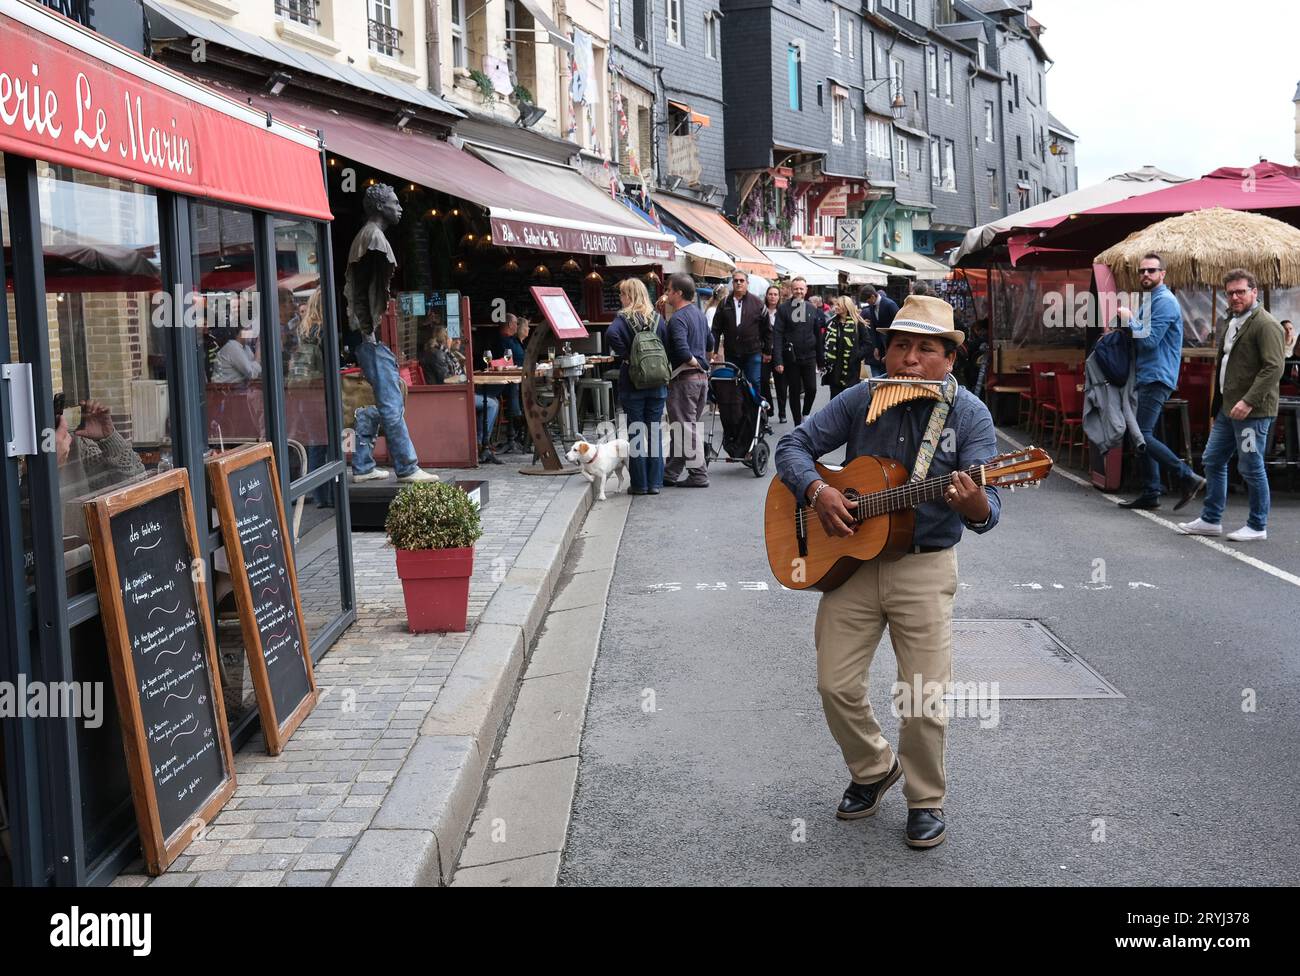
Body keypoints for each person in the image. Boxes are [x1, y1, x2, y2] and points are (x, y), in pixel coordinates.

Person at [774, 295, 1000, 850]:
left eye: (926, 348)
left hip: (925, 567)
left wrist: (972, 501)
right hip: (852, 564)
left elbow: (989, 508)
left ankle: (925, 799)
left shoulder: (969, 414)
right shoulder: (861, 397)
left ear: (949, 358)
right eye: (901, 345)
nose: (910, 359)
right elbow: (794, 445)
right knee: (834, 684)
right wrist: (819, 489)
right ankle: (874, 767)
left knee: (922, 696)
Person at [1177, 269, 1285, 542]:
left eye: (1241, 291)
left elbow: (1274, 368)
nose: (1235, 297)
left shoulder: (1266, 324)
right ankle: (1211, 520)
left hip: (1253, 412)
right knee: (1212, 459)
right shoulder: (1229, 320)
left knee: (1250, 466)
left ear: (1254, 292)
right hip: (1228, 409)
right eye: (1230, 293)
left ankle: (1257, 525)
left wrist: (1248, 401)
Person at [344, 182, 437, 484]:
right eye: (395, 202)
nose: (400, 207)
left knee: (379, 403)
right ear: (380, 206)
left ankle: (362, 464)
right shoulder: (374, 239)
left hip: (367, 333)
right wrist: (369, 331)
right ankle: (408, 466)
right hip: (368, 334)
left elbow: (364, 289)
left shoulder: (369, 237)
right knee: (390, 402)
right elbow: (360, 292)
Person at [1114, 253, 1203, 511]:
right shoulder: (1151, 301)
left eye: (1151, 271)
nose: (1145, 275)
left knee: (1143, 434)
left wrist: (1129, 318)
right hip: (1148, 375)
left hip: (1157, 376)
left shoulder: (1164, 301)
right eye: (1142, 271)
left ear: (1162, 274)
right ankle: (1151, 491)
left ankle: (1187, 476)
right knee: (1142, 434)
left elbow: (1150, 341)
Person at [606, 277, 670, 494]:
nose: (621, 298)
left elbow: (611, 334)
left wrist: (627, 356)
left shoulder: (623, 319)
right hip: (657, 384)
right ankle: (655, 483)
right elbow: (667, 344)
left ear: (629, 296)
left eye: (622, 294)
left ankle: (640, 484)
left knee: (636, 432)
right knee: (654, 432)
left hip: (633, 384)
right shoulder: (657, 319)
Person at [662, 273, 713, 488]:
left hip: (686, 379)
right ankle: (670, 472)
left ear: (678, 293)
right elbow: (710, 343)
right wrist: (703, 363)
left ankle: (698, 474)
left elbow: (683, 351)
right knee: (681, 427)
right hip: (701, 381)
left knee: (685, 428)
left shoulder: (678, 318)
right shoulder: (699, 315)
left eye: (668, 290)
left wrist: (694, 362)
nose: (666, 294)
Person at [287, 289, 332, 505]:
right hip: (321, 391)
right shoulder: (323, 329)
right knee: (330, 443)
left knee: (316, 443)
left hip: (304, 393)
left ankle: (320, 495)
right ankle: (330, 496)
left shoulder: (303, 329)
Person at [772, 275, 826, 425]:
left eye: (801, 288)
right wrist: (778, 360)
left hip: (809, 356)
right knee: (794, 391)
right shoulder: (783, 309)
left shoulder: (811, 308)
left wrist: (821, 361)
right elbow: (777, 335)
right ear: (791, 289)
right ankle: (797, 424)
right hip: (791, 358)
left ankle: (806, 413)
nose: (799, 291)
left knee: (812, 389)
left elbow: (818, 335)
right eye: (796, 288)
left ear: (806, 290)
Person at [710, 270, 770, 390]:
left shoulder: (757, 303)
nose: (739, 283)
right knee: (732, 384)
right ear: (732, 283)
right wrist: (714, 350)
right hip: (732, 353)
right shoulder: (725, 303)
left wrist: (767, 351)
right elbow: (716, 329)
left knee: (753, 383)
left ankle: (752, 408)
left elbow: (767, 329)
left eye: (741, 280)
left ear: (747, 283)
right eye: (736, 281)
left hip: (752, 352)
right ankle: (736, 408)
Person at [822, 296, 872, 401]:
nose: (835, 307)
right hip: (834, 369)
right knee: (834, 400)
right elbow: (823, 342)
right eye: (836, 304)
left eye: (838, 305)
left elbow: (867, 344)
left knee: (850, 399)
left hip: (851, 369)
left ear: (846, 307)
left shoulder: (857, 324)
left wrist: (857, 355)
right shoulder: (831, 323)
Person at [491, 314, 528, 453]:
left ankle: (518, 434)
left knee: (520, 389)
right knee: (514, 388)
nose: (517, 326)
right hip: (499, 382)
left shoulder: (512, 340)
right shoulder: (501, 340)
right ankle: (515, 431)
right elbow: (502, 362)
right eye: (515, 324)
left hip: (514, 379)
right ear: (510, 324)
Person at [761, 285, 790, 424]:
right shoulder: (761, 311)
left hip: (780, 352)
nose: (772, 296)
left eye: (775, 294)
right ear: (766, 296)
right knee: (763, 381)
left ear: (779, 297)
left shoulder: (783, 312)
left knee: (781, 384)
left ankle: (782, 412)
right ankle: (769, 408)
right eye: (770, 294)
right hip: (764, 352)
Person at [859, 285, 898, 378]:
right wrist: (876, 347)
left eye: (868, 301)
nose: (868, 304)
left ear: (873, 296)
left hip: (890, 343)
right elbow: (873, 327)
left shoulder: (889, 304)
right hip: (880, 346)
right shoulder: (872, 307)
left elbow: (898, 323)